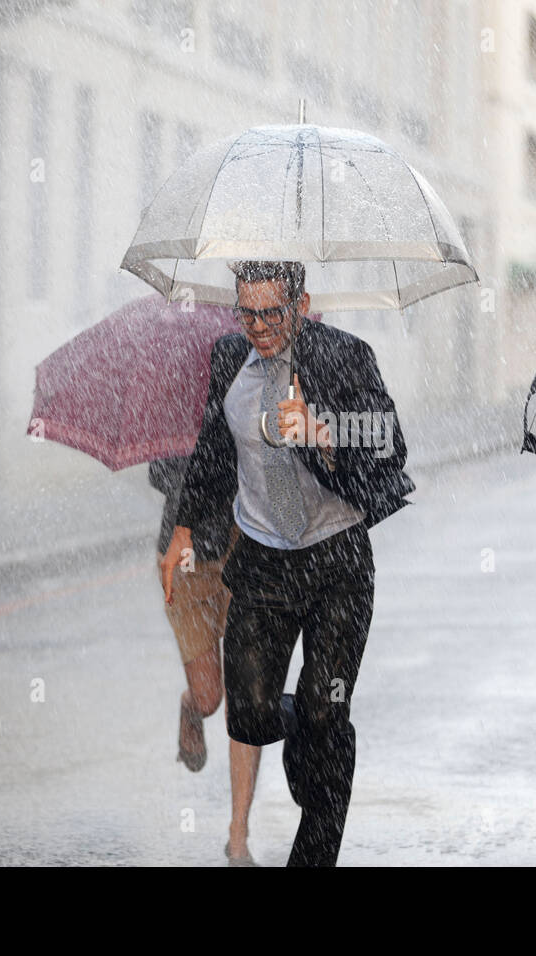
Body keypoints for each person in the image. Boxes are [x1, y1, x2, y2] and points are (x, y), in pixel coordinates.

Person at [159, 260, 413, 867]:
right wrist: (183, 530)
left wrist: (323, 433)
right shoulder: (230, 359)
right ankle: (302, 715)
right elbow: (215, 451)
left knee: (327, 712)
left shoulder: (345, 357)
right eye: (247, 313)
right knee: (248, 711)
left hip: (337, 563)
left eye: (272, 313)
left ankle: (314, 848)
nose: (259, 327)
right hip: (265, 563)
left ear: (301, 305)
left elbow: (387, 440)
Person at [148, 455, 261, 865]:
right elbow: (158, 473)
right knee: (211, 696)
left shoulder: (257, 389)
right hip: (187, 559)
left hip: (247, 551)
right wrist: (203, 468)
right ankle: (191, 705)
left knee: (245, 699)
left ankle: (238, 837)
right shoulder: (173, 400)